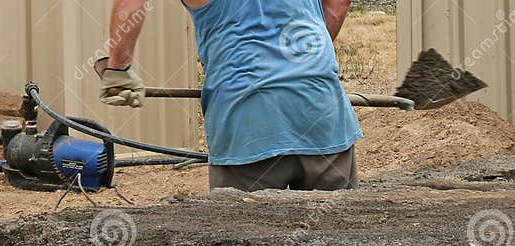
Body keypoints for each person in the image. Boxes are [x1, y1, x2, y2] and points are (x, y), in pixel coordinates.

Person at [101, 0, 361, 192]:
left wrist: (118, 68)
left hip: (246, 120)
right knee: (337, 243)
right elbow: (338, 5)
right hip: (321, 109)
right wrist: (304, 62)